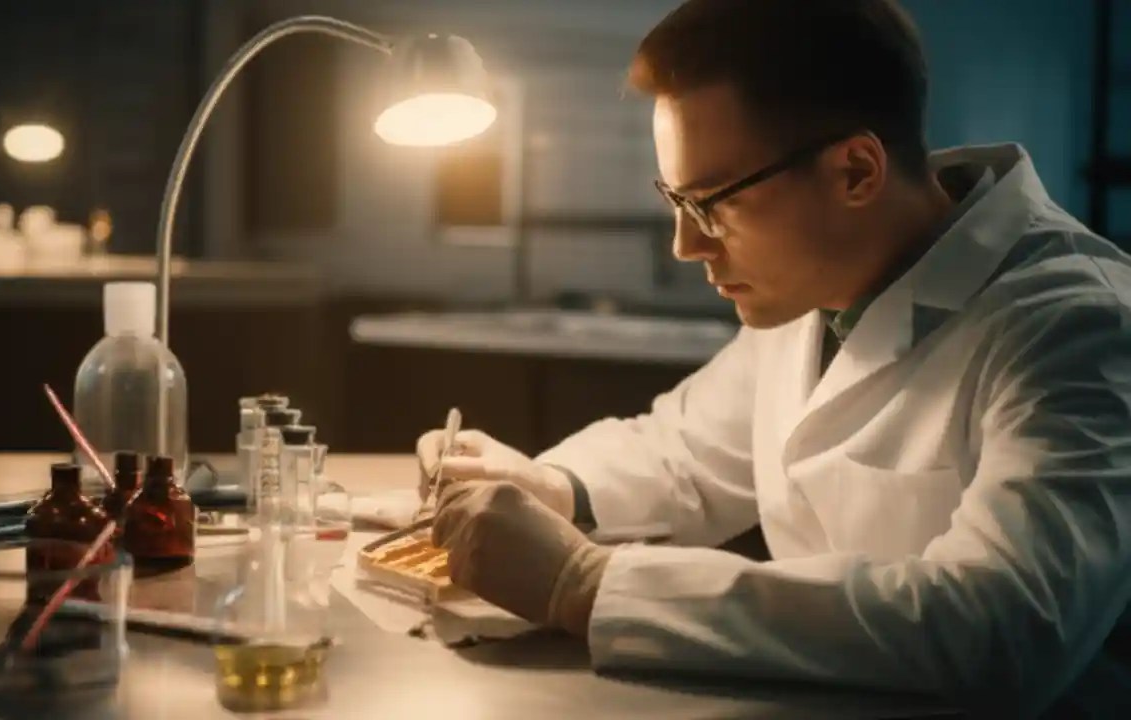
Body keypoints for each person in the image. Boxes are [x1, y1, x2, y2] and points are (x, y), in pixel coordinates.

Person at [416, 0, 1131, 716]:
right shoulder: (820, 286)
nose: (685, 246)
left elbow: (1003, 628)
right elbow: (688, 452)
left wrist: (587, 582)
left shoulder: (1077, 327)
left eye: (711, 204)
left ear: (856, 172)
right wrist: (553, 485)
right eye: (675, 199)